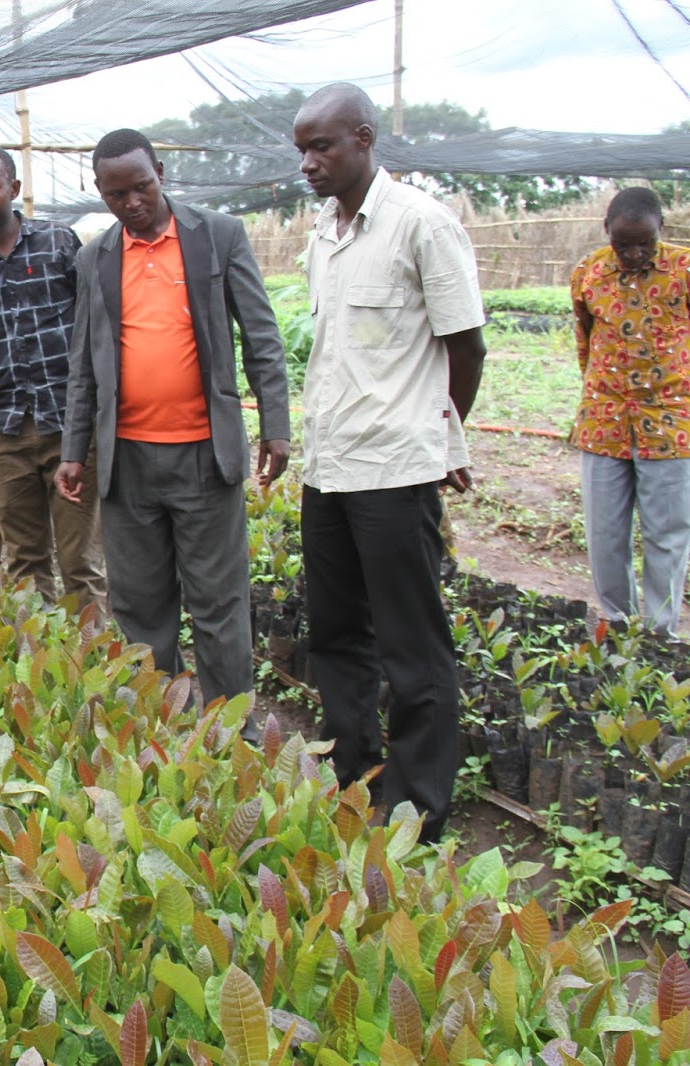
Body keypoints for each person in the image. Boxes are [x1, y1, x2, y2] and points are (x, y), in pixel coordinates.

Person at [291, 83, 487, 843]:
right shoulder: (323, 231)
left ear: (364, 139)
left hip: (396, 473)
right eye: (302, 148)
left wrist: (438, 435)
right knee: (335, 634)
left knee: (413, 645)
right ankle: (353, 776)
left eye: (322, 146)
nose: (308, 161)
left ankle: (416, 809)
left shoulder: (421, 226)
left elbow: (465, 345)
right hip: (329, 468)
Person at [56, 129, 291, 711]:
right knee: (139, 604)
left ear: (160, 172)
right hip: (126, 460)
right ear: (100, 193)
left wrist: (276, 426)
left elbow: (261, 335)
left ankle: (230, 727)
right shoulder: (95, 257)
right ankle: (162, 726)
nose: (133, 203)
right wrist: (72, 449)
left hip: (205, 455)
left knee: (219, 603)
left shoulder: (218, 236)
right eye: (116, 195)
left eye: (142, 187)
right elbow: (84, 362)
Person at [0, 147, 106, 608]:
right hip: (5, 430)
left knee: (79, 561)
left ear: (14, 189)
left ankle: (91, 667)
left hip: (70, 427)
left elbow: (97, 325)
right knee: (23, 561)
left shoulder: (58, 244)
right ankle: (43, 666)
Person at [571, 187, 690, 640]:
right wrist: (601, 393)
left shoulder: (683, 270)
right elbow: (586, 340)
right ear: (607, 232)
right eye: (624, 245)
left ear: (662, 229)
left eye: (645, 243)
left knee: (667, 534)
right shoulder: (589, 272)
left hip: (673, 423)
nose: (635, 254)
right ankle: (617, 621)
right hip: (604, 422)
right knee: (605, 534)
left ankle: (661, 634)